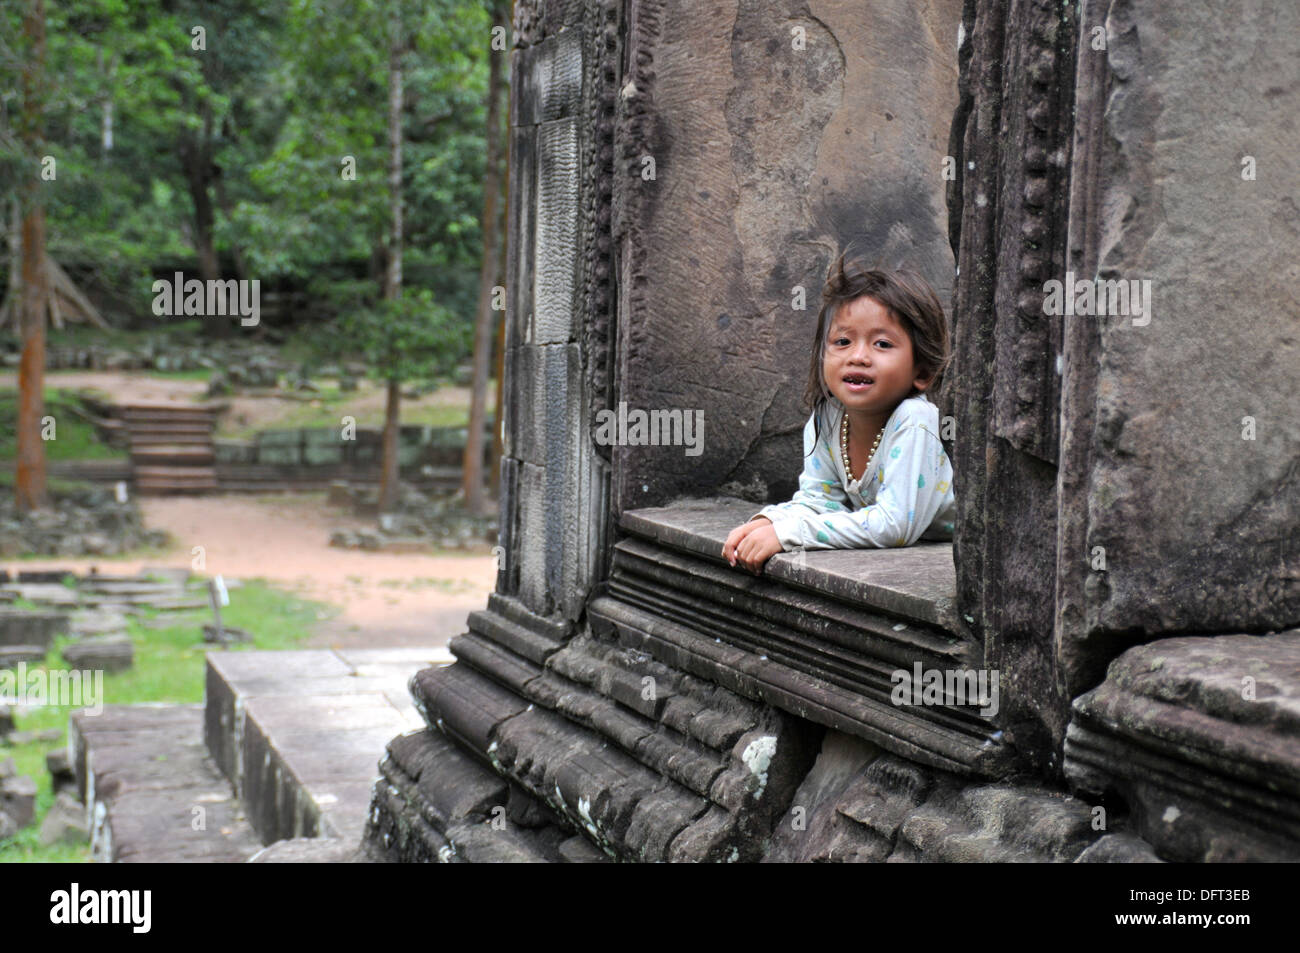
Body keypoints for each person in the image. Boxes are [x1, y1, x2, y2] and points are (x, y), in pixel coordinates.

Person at [723, 256, 956, 574]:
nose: (858, 356)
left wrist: (790, 535)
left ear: (923, 372)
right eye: (843, 341)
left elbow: (895, 525)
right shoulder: (828, 418)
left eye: (882, 344)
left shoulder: (916, 419)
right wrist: (770, 521)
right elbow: (821, 501)